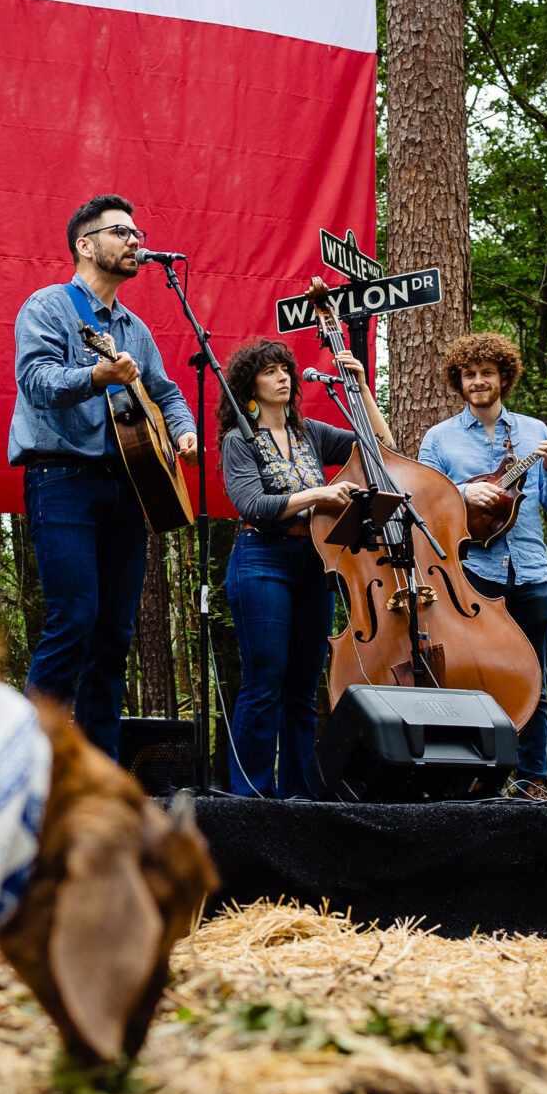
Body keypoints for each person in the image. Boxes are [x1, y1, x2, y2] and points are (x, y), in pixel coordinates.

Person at [6, 194, 198, 762]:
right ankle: (25, 764)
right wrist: (97, 374)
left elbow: (165, 394)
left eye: (139, 232)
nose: (137, 241)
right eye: (122, 232)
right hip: (62, 478)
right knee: (74, 618)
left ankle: (99, 769)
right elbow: (36, 381)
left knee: (114, 634)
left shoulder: (136, 329)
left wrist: (183, 431)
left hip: (129, 485)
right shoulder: (48, 307)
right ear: (85, 246)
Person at [217, 339, 393, 797]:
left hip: (316, 562)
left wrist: (360, 387)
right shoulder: (240, 439)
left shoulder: (310, 432)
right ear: (249, 384)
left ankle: (298, 795)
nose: (283, 377)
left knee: (302, 686)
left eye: (285, 370)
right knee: (265, 681)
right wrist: (317, 495)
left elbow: (381, 447)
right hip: (262, 558)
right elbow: (253, 505)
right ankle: (251, 794)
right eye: (270, 371)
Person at [416, 332, 547, 797]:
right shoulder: (439, 438)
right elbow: (421, 504)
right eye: (470, 374)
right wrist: (462, 492)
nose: (479, 381)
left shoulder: (534, 431)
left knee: (534, 684)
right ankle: (477, 782)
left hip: (529, 572)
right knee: (475, 680)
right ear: (459, 381)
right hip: (472, 577)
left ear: (504, 377)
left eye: (487, 373)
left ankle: (533, 781)